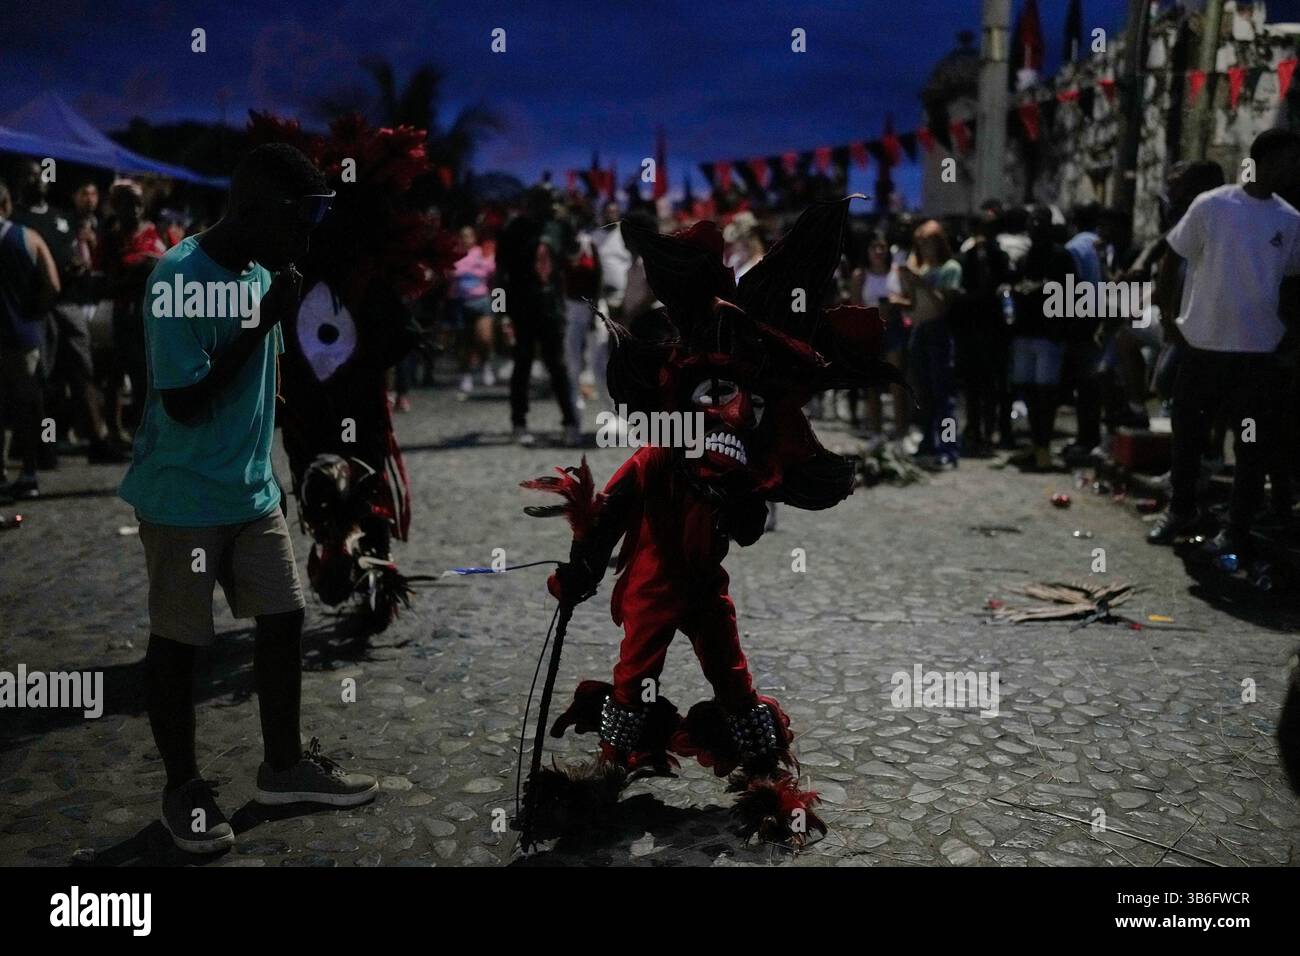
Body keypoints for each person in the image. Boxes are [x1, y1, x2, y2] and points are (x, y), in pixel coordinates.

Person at [118, 143, 377, 854]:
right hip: (183, 498)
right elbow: (185, 404)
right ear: (259, 212)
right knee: (180, 644)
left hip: (249, 490)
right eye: (299, 221)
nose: (307, 239)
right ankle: (184, 789)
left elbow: (268, 384)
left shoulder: (267, 268)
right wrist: (262, 319)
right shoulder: (179, 278)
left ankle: (283, 767)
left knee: (283, 618)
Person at [1147, 128, 1300, 555]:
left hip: (1257, 356)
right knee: (1188, 435)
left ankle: (1236, 527)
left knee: (1250, 443)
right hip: (1204, 347)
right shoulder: (1213, 206)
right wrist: (1167, 317)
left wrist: (1289, 339)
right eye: (1289, 159)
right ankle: (1180, 510)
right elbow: (1171, 259)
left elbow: (1292, 284)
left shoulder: (1289, 221)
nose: (1294, 169)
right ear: (1265, 159)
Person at [497, 187, 580, 446]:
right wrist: (501, 312)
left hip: (551, 305)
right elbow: (500, 273)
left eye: (551, 202)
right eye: (542, 202)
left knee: (557, 365)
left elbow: (574, 255)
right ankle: (518, 422)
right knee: (522, 364)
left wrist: (568, 222)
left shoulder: (559, 226)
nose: (547, 206)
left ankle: (570, 422)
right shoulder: (515, 229)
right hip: (522, 305)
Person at [0, 181, 61, 501]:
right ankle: (29, 471)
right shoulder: (28, 237)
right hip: (22, 334)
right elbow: (53, 283)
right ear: (7, 203)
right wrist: (36, 312)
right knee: (27, 406)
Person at [1007, 205, 1075, 471]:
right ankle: (1036, 446)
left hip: (1049, 333)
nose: (1035, 226)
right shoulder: (1026, 259)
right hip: (1025, 332)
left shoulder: (1061, 256)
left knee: (1046, 394)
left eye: (1040, 222)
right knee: (1029, 391)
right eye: (1032, 222)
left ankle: (1043, 447)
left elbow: (1070, 292)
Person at [898, 219, 963, 469]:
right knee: (923, 393)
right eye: (920, 242)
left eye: (927, 241)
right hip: (919, 330)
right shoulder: (922, 269)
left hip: (939, 331)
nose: (923, 247)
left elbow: (943, 305)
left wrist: (922, 283)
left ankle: (948, 447)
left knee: (942, 394)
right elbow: (914, 304)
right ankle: (927, 440)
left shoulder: (950, 268)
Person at [952, 206, 1011, 457]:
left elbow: (1004, 281)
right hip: (971, 329)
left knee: (992, 385)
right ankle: (974, 430)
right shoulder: (964, 259)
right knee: (972, 386)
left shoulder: (999, 256)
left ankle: (990, 430)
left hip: (991, 329)